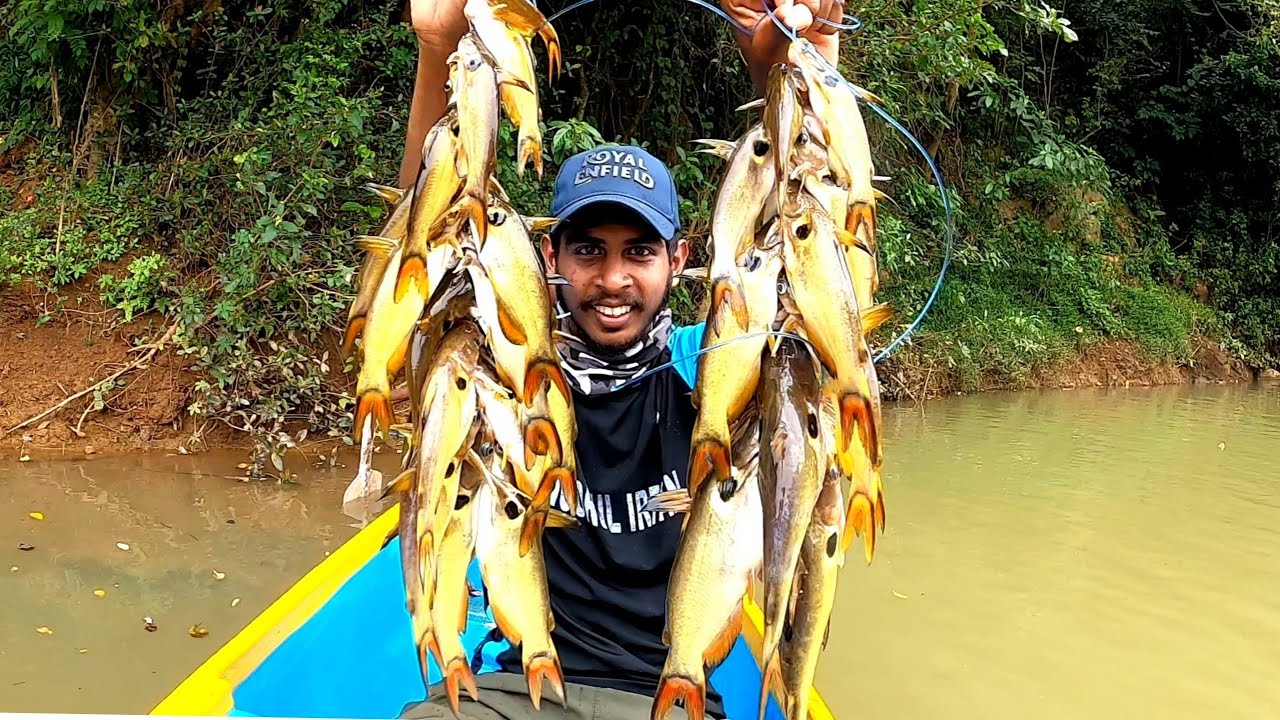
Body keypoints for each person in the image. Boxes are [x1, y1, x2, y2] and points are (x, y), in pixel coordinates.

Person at [397, 2, 842, 718]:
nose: (612, 280)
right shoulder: (508, 371)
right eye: (588, 250)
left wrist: (796, 57)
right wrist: (435, 51)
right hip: (526, 690)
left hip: (671, 692)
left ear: (680, 260)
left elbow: (814, 257)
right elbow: (424, 243)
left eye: (639, 252)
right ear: (549, 256)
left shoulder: (714, 368)